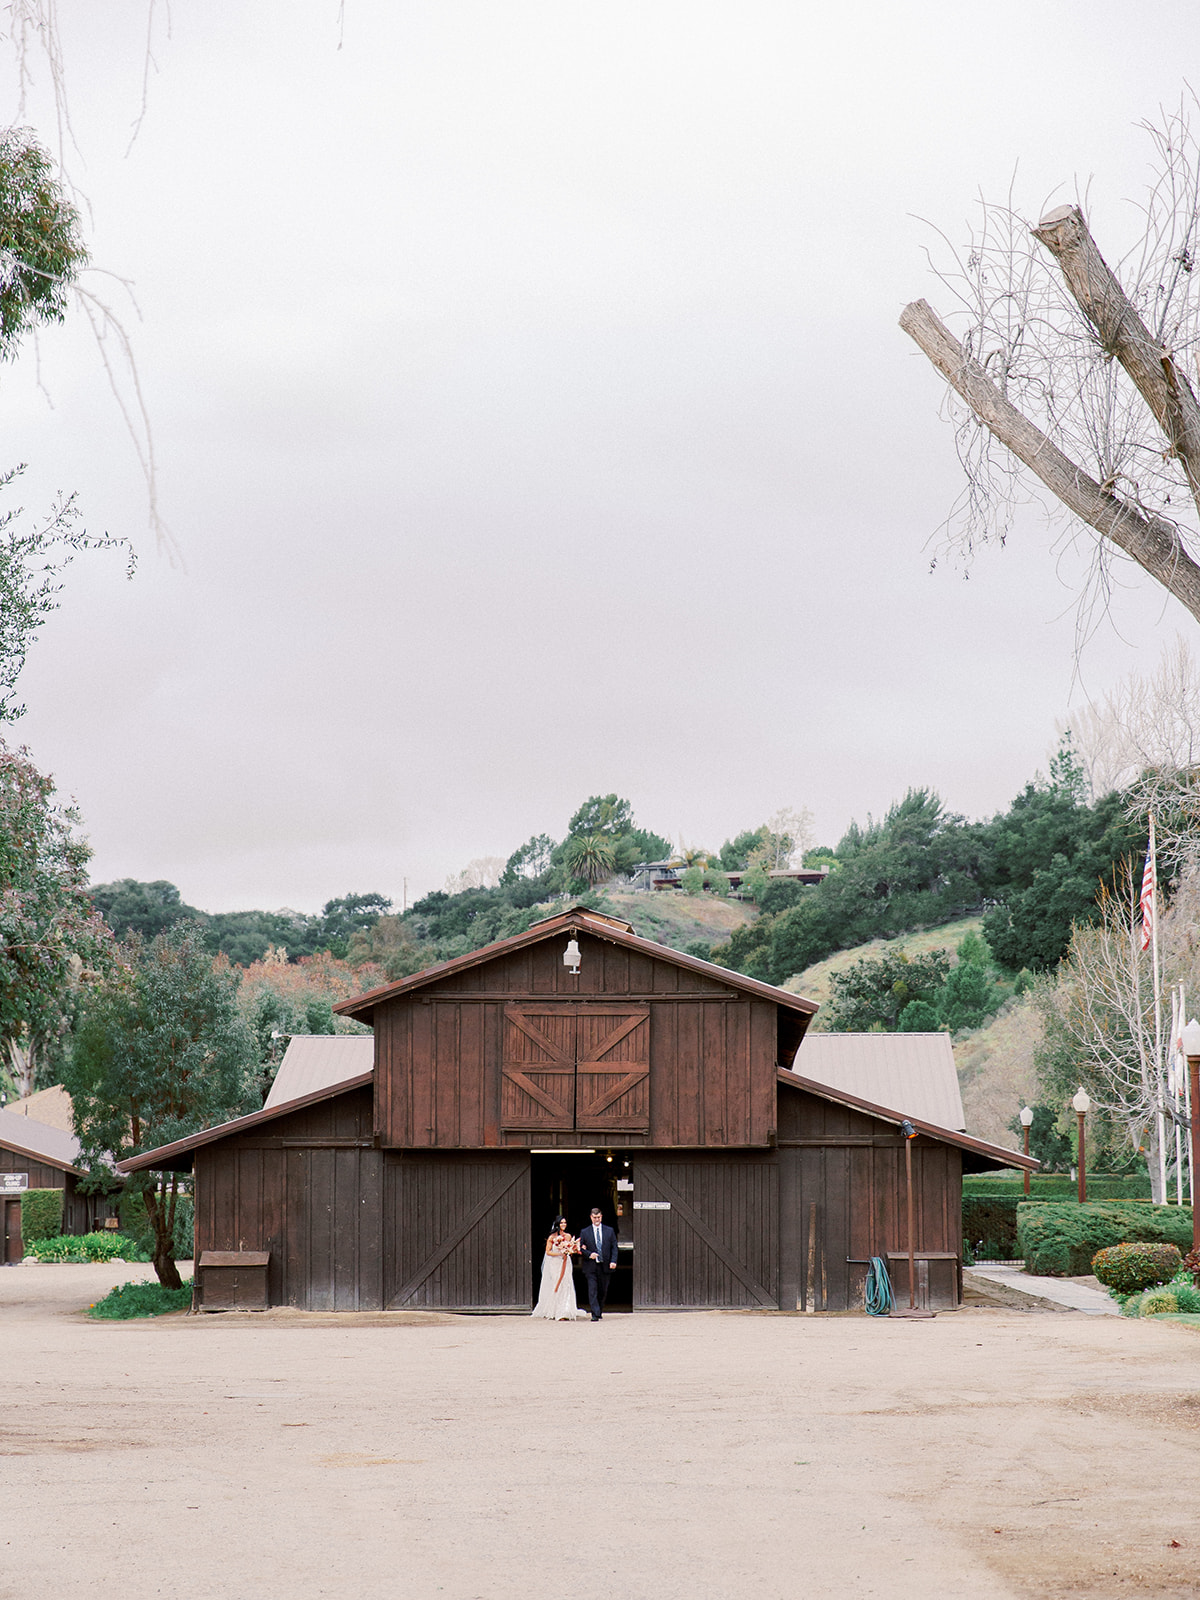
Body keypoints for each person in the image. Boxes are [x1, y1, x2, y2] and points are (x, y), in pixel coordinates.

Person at [531, 1216, 585, 1321]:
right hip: (555, 1263)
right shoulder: (552, 1237)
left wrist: (570, 1250)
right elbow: (548, 1251)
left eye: (565, 1222)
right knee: (556, 1284)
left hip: (566, 1262)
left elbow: (571, 1249)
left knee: (566, 1283)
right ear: (557, 1224)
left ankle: (565, 1310)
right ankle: (555, 1310)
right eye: (561, 1223)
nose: (564, 1225)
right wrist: (559, 1253)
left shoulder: (568, 1236)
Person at [579, 1205, 618, 1321]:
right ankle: (594, 1314)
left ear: (601, 1217)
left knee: (602, 1290)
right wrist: (589, 1254)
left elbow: (614, 1247)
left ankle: (599, 1310)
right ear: (591, 1217)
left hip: (605, 1265)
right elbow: (580, 1248)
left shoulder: (609, 1231)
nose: (597, 1220)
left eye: (599, 1217)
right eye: (595, 1217)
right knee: (592, 1290)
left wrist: (613, 1261)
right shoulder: (585, 1232)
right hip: (590, 1266)